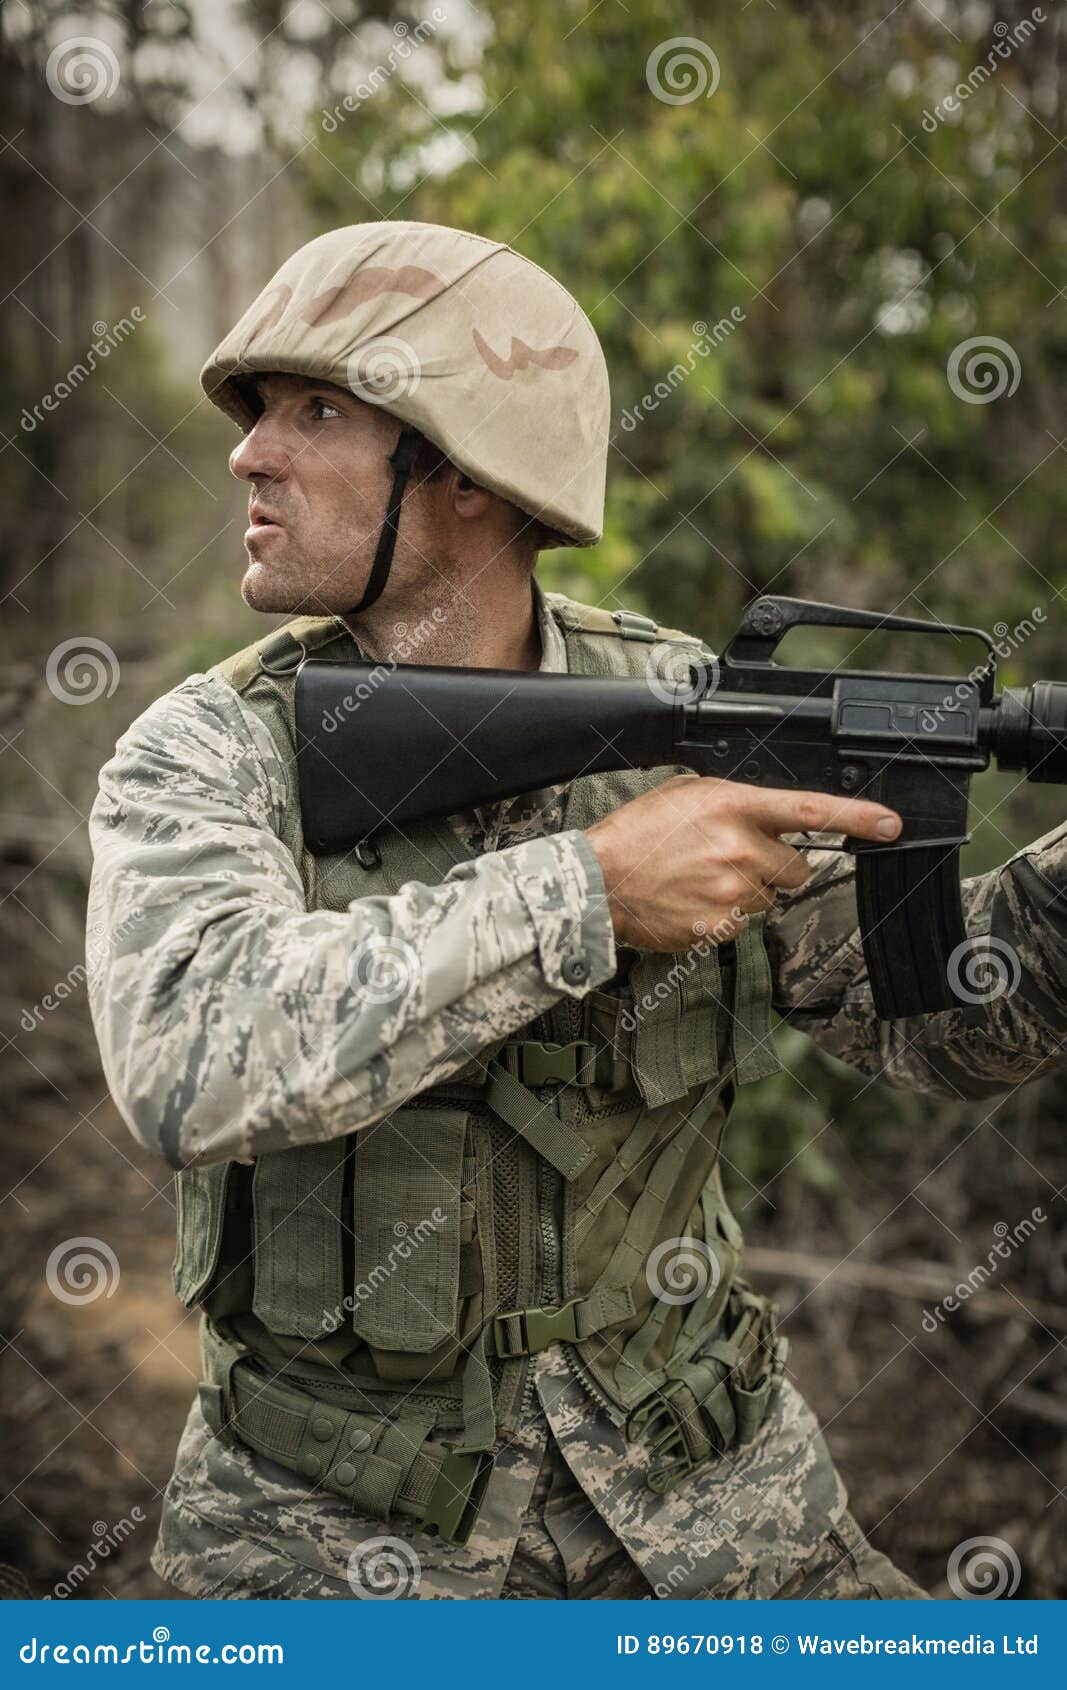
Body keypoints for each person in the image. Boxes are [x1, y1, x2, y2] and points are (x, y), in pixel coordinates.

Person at [86, 221, 1066, 1600]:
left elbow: (951, 1025)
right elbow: (193, 1055)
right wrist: (594, 888)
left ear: (471, 474)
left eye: (315, 414)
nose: (251, 453)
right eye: (260, 416)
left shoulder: (688, 710)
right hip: (326, 1541)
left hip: (710, 1500)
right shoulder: (209, 751)